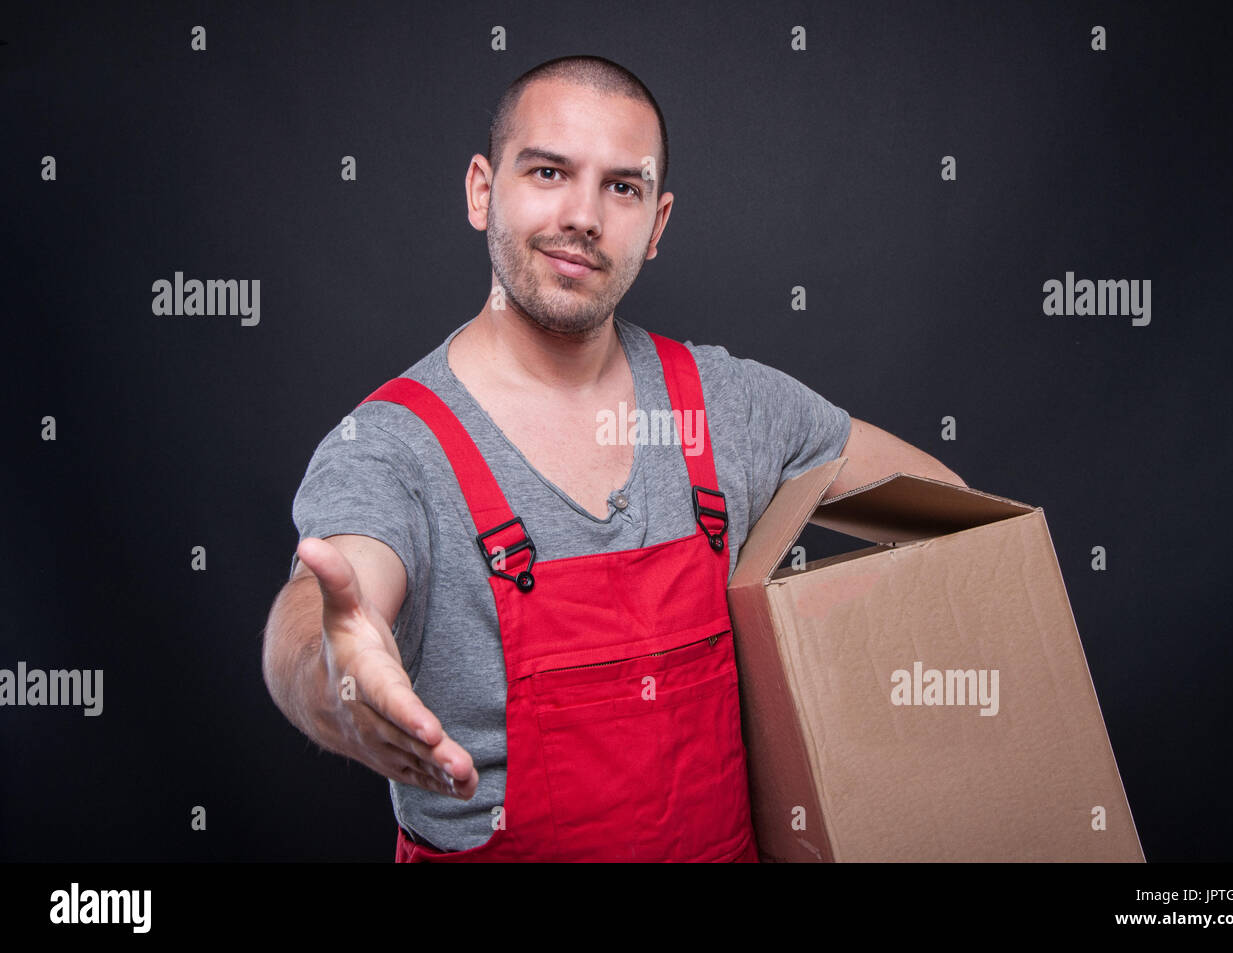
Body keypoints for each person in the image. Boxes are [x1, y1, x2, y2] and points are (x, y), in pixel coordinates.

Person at [261, 54, 965, 862]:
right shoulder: (394, 446)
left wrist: (846, 681)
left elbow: (942, 510)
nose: (585, 216)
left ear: (657, 225)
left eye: (622, 187)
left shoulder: (729, 406)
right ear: (482, 191)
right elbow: (324, 604)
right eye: (551, 171)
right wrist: (338, 676)